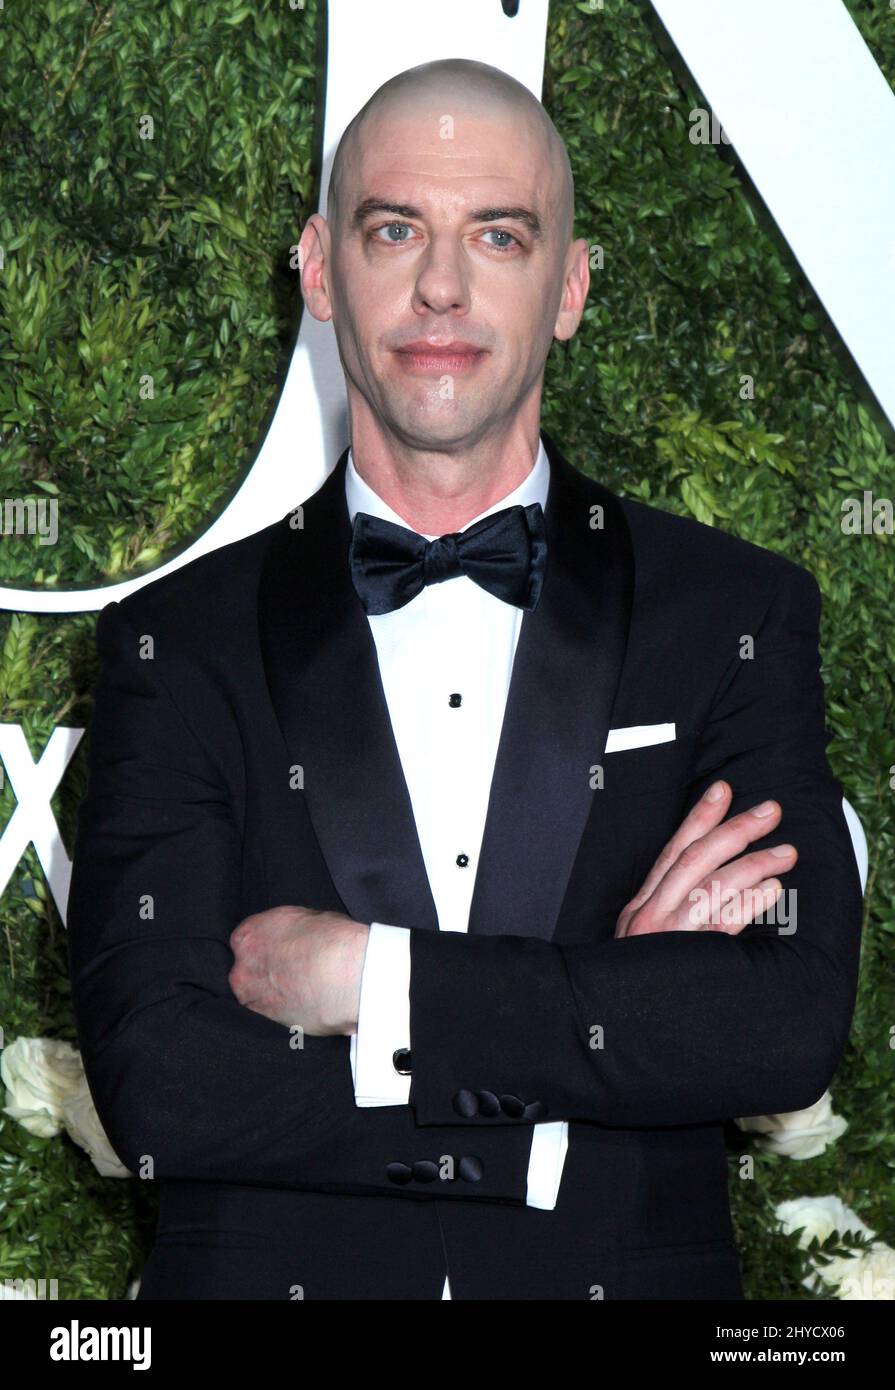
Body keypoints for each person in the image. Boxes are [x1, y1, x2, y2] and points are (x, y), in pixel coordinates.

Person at [66, 58, 862, 1300]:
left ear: (571, 288)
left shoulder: (733, 613)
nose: (441, 285)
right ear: (322, 270)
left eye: (498, 233)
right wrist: (590, 1031)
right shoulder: (176, 643)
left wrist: (371, 984)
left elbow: (779, 1023)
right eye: (397, 230)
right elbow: (167, 1082)